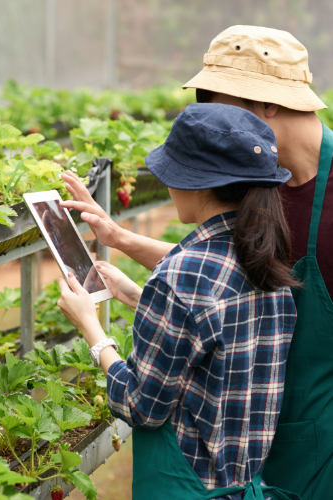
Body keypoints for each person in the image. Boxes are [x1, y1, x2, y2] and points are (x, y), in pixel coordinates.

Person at [57, 103, 299, 500]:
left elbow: (140, 406)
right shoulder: (268, 262)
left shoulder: (181, 275)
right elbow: (212, 337)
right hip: (246, 485)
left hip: (185, 488)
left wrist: (92, 329)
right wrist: (138, 294)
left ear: (198, 182)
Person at [182, 26, 333, 499]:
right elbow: (224, 274)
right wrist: (121, 240)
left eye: (214, 101)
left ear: (267, 104)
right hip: (262, 437)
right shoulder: (257, 184)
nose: (207, 119)